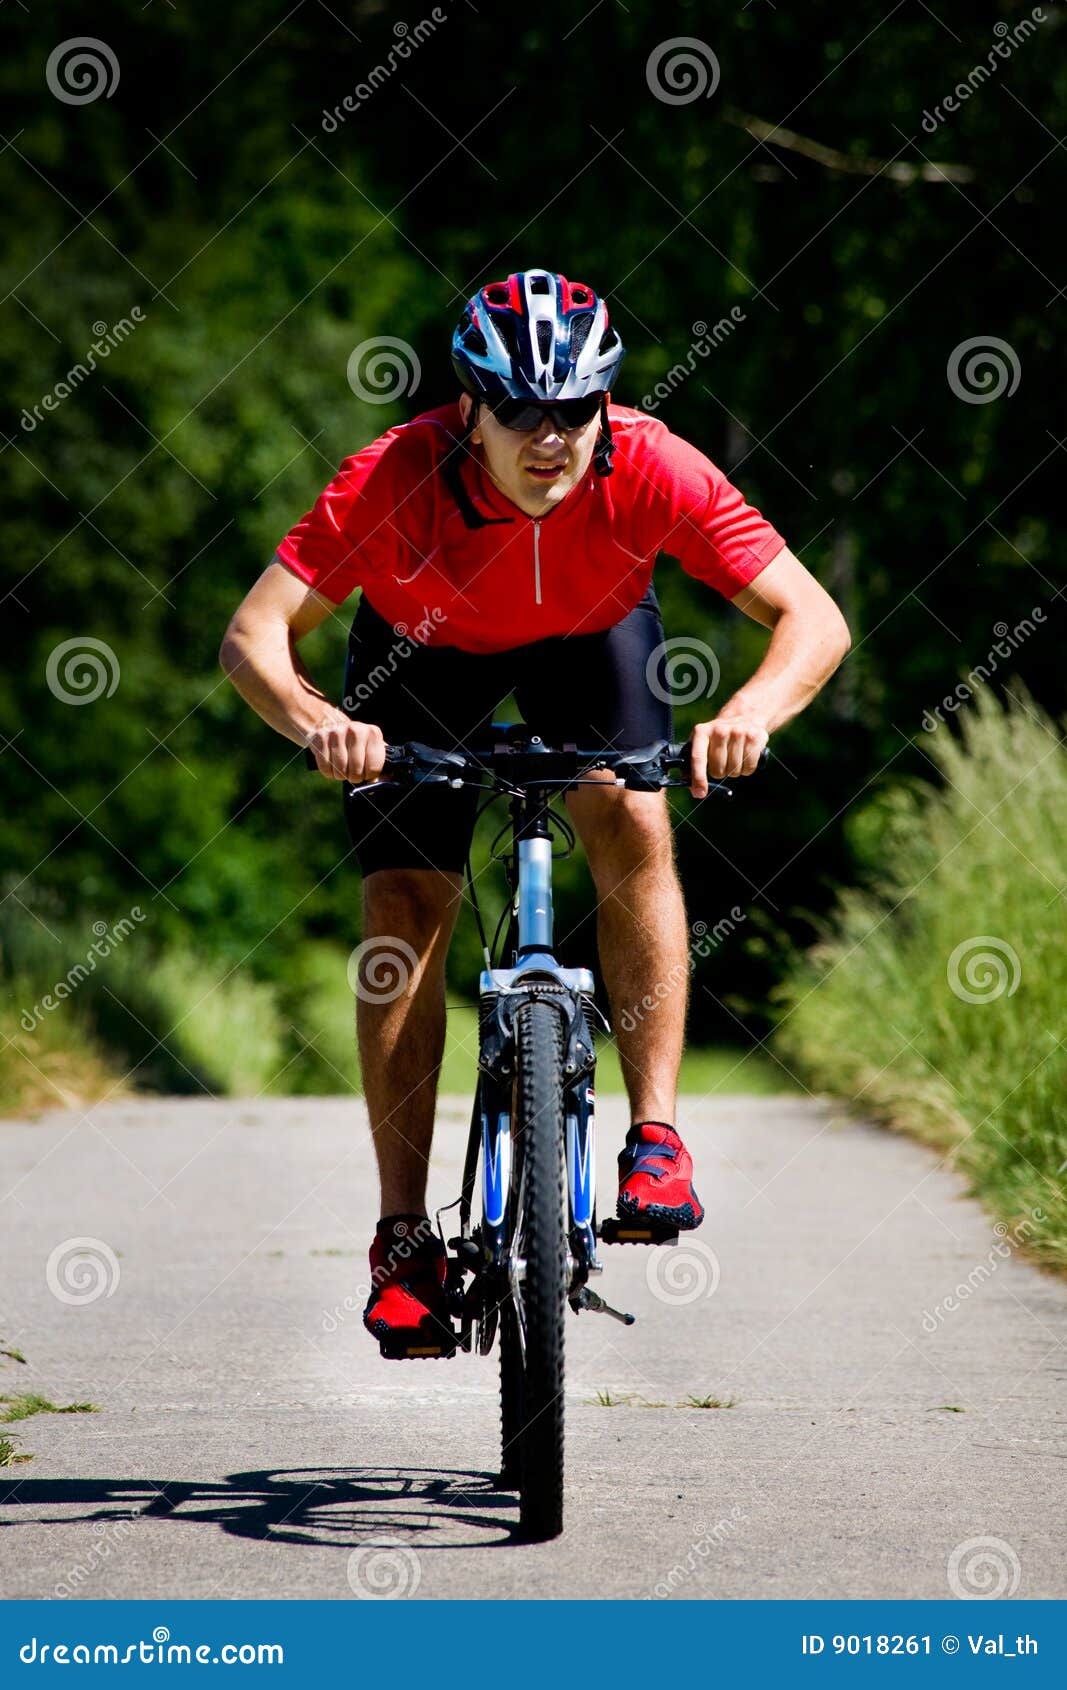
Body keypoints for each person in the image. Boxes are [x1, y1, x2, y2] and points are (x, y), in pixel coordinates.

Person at [220, 268, 850, 1356]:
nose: (548, 435)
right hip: (421, 657)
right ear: (469, 408)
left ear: (605, 401)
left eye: (574, 406)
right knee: (404, 901)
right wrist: (320, 719)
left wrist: (748, 711)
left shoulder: (651, 465)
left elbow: (812, 616)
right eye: (519, 410)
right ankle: (403, 1240)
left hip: (591, 639)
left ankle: (654, 1137)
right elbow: (252, 636)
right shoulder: (391, 477)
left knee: (630, 810)